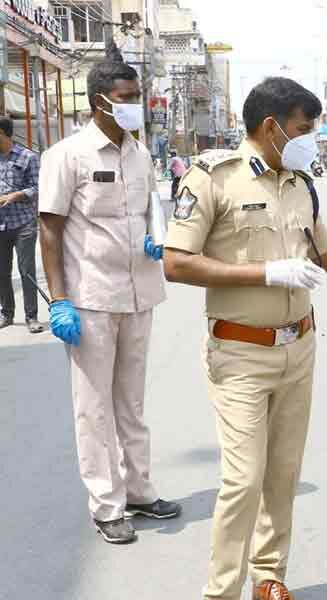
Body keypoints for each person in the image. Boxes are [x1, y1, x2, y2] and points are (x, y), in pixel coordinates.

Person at [163, 77, 327, 600]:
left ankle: (268, 578)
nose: (309, 139)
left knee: (283, 475)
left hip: (299, 348)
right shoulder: (213, 179)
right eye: (302, 129)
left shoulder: (299, 183)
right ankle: (221, 592)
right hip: (241, 352)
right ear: (271, 127)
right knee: (244, 480)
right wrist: (267, 274)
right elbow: (176, 263)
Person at [38, 57, 180, 545]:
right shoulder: (68, 155)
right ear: (100, 101)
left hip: (140, 294)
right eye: (126, 98)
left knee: (132, 402)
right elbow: (49, 229)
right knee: (93, 407)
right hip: (91, 300)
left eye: (136, 96)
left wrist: (157, 237)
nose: (134, 105)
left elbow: (153, 207)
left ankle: (140, 490)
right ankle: (106, 504)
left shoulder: (140, 153)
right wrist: (60, 300)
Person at [0, 114, 42, 333]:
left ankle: (31, 317)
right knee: (2, 272)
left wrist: (16, 195)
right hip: (1, 225)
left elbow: (38, 188)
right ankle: (6, 313)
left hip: (24, 223)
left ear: (3, 133)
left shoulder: (28, 157)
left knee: (26, 270)